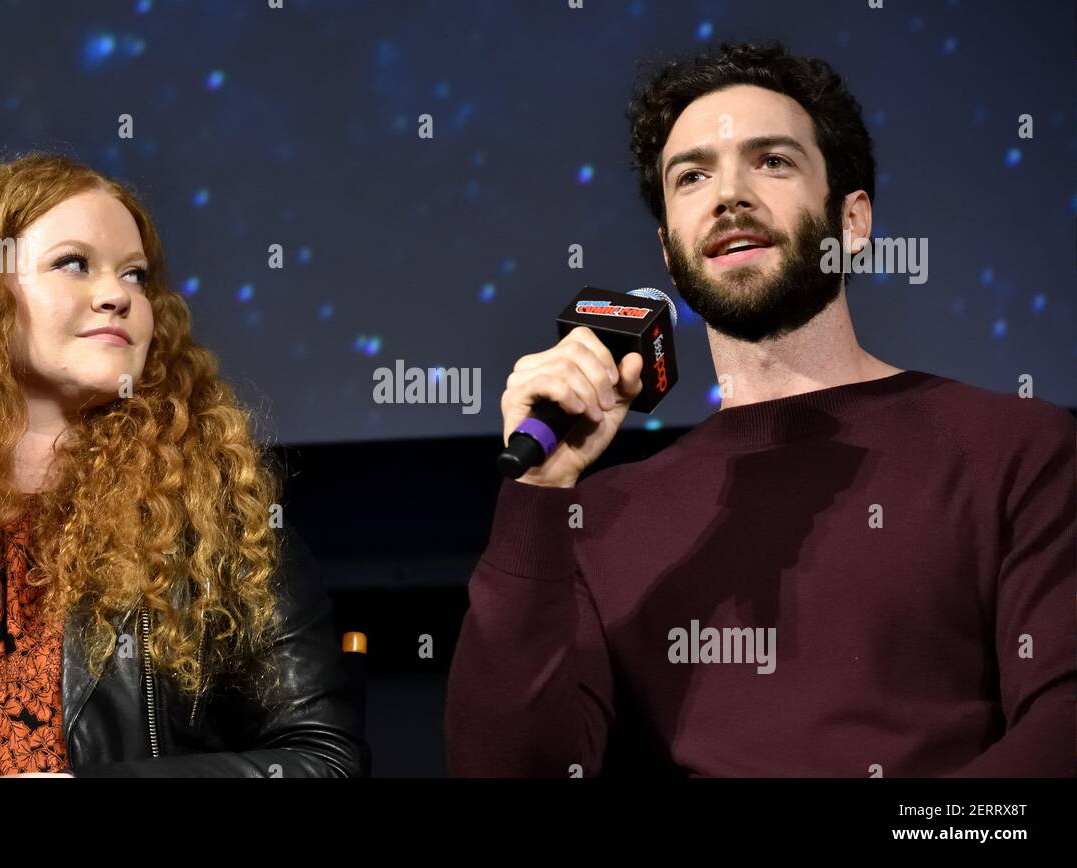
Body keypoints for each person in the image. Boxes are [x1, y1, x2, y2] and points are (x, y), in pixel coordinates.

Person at [445, 42, 1075, 777]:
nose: (729, 195)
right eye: (692, 176)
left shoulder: (1013, 449)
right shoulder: (598, 519)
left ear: (853, 221)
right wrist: (538, 496)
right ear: (670, 253)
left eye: (772, 161)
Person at [0, 153, 368, 778]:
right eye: (74, 263)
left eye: (136, 276)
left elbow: (326, 763)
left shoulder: (222, 530)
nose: (118, 295)